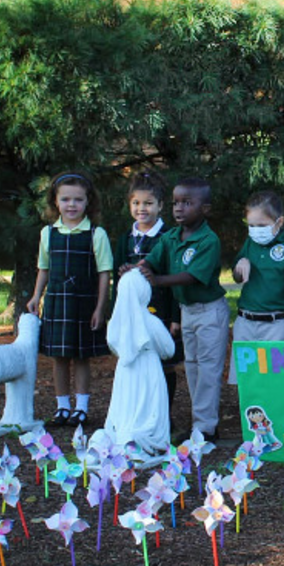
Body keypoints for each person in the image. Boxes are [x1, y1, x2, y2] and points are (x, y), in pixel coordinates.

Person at [135, 177, 229, 442]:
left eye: (187, 203)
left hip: (210, 312)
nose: (179, 208)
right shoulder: (171, 237)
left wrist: (158, 280)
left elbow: (192, 276)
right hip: (187, 311)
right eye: (176, 202)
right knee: (192, 366)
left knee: (208, 369)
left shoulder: (208, 240)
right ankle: (201, 422)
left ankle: (206, 428)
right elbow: (152, 260)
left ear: (205, 208)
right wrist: (137, 268)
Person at [27, 172, 112, 428]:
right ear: (55, 201)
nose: (71, 205)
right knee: (59, 356)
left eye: (78, 199)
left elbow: (104, 273)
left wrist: (100, 308)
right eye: (65, 199)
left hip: (84, 303)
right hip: (57, 302)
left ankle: (81, 408)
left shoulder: (96, 234)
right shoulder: (48, 233)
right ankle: (62, 407)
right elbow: (44, 268)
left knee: (81, 356)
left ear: (88, 202)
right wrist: (36, 296)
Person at [110, 172, 182, 434]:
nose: (142, 209)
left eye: (148, 203)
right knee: (137, 363)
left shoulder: (169, 236)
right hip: (132, 314)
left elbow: (174, 279)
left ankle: (165, 416)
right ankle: (139, 415)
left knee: (165, 363)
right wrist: (114, 313)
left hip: (161, 310)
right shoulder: (125, 239)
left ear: (160, 205)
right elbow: (117, 283)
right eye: (136, 203)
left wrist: (175, 317)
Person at [231, 191, 284, 380]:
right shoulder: (250, 243)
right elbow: (237, 277)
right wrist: (240, 266)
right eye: (251, 226)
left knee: (276, 378)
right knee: (247, 377)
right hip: (246, 321)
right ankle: (249, 401)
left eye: (262, 226)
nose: (256, 230)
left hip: (276, 324)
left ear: (278, 222)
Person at [105, 270, 174, 455]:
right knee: (149, 404)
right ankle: (147, 440)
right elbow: (169, 350)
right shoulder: (151, 322)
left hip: (125, 371)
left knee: (127, 404)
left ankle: (126, 436)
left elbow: (113, 344)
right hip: (149, 369)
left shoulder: (117, 322)